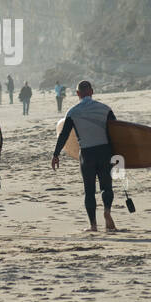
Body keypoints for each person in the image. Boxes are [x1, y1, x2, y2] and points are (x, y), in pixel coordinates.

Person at [51, 80, 118, 232]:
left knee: (89, 190)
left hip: (87, 154)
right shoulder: (105, 109)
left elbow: (63, 135)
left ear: (78, 94)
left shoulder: (73, 112)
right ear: (92, 92)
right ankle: (107, 211)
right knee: (106, 186)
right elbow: (116, 133)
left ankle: (93, 225)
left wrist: (56, 154)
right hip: (105, 152)